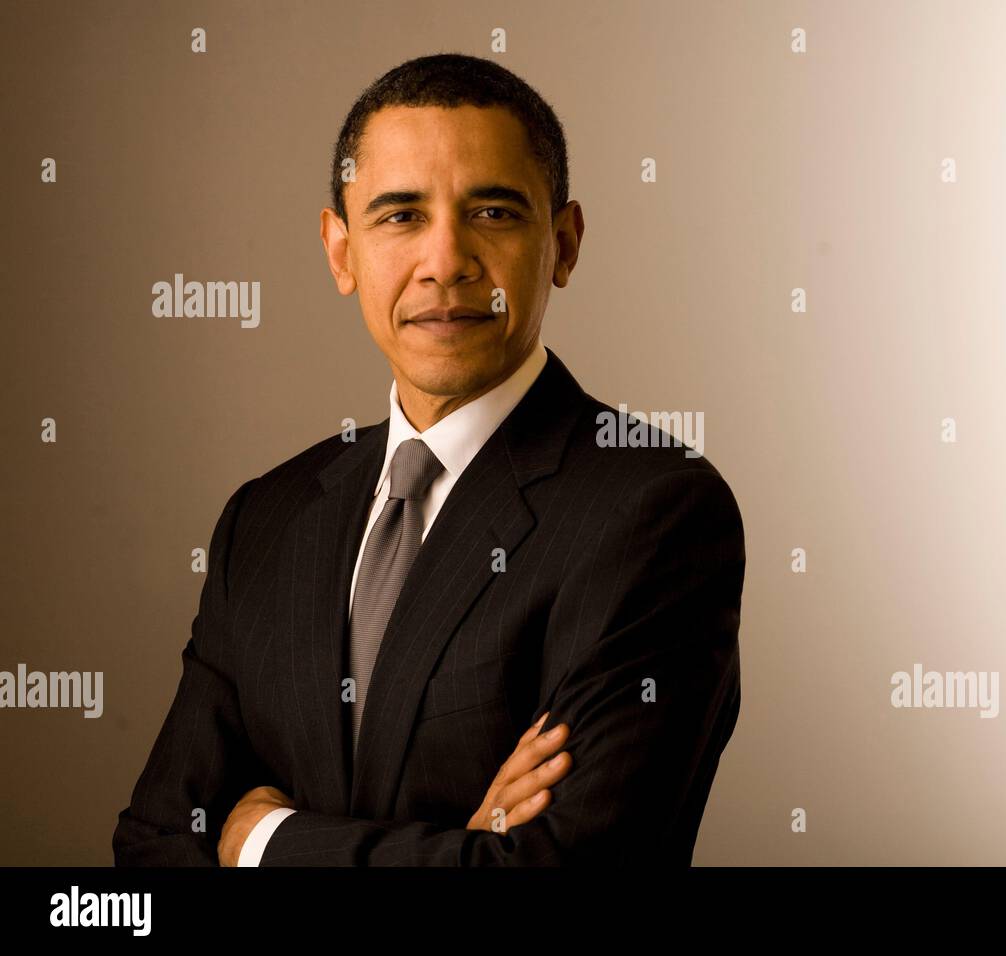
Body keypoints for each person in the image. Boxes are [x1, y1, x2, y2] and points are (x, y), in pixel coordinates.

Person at [112, 53, 745, 866]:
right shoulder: (264, 520)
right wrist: (457, 850)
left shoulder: (653, 512)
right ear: (339, 251)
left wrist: (263, 841)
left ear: (564, 242)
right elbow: (152, 849)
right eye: (400, 216)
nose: (446, 261)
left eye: (493, 212)